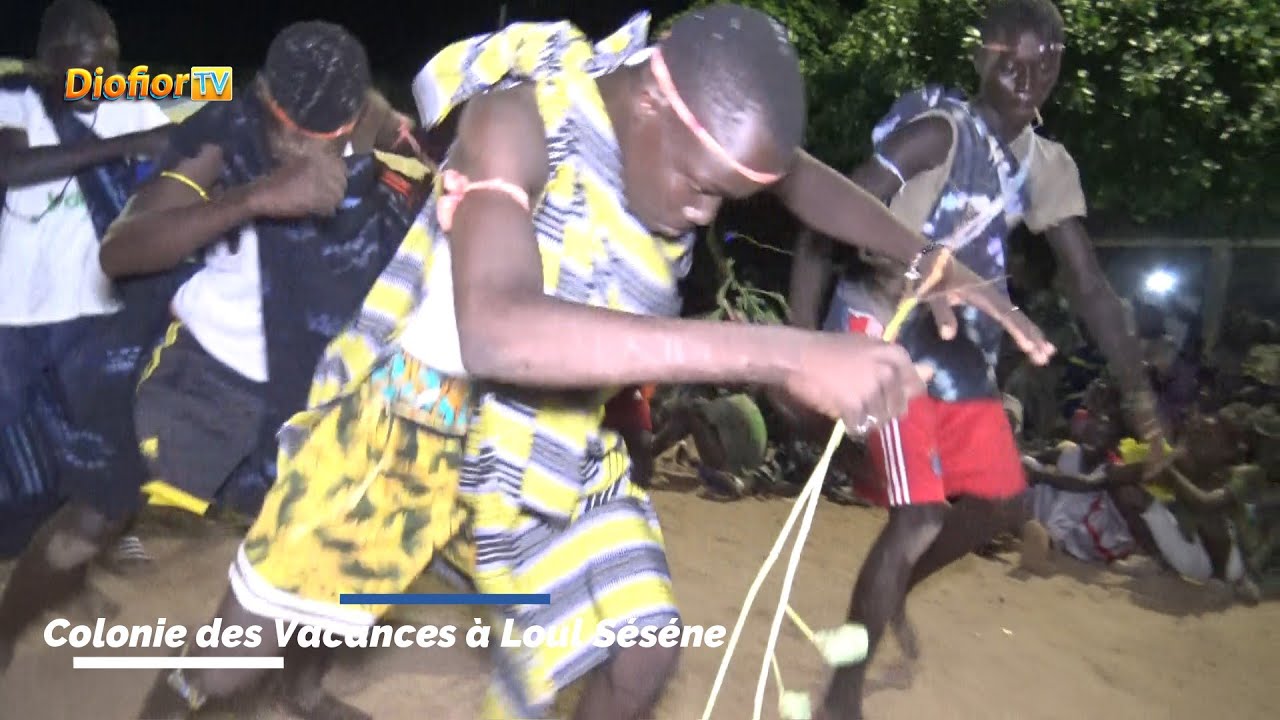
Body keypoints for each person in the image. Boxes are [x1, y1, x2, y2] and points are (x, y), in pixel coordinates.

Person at [135, 7, 1052, 719]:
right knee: (227, 663)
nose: (704, 214)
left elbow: (797, 179)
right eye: (701, 187)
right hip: (406, 428)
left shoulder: (687, 137)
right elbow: (495, 328)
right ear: (653, 102)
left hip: (549, 436)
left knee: (642, 647)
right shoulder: (519, 120)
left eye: (726, 197)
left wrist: (936, 259)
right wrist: (781, 351)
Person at [786, 2, 1172, 716]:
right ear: (981, 59)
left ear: (1056, 67)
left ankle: (886, 596)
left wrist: (1143, 405)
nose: (1024, 77)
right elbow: (826, 218)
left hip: (958, 352)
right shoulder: (939, 133)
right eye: (1007, 60)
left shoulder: (1047, 166)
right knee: (920, 518)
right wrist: (798, 342)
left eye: (1041, 63)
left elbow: (1089, 287)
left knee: (1003, 501)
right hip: (884, 330)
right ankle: (841, 689)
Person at [0, 0, 174, 673]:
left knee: (95, 452)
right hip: (15, 312)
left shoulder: (136, 103)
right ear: (49, 58)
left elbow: (180, 164)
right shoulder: (17, 102)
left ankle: (71, 581)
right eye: (81, 55)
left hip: (97, 312)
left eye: (108, 54)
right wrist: (124, 148)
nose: (98, 67)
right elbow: (11, 170)